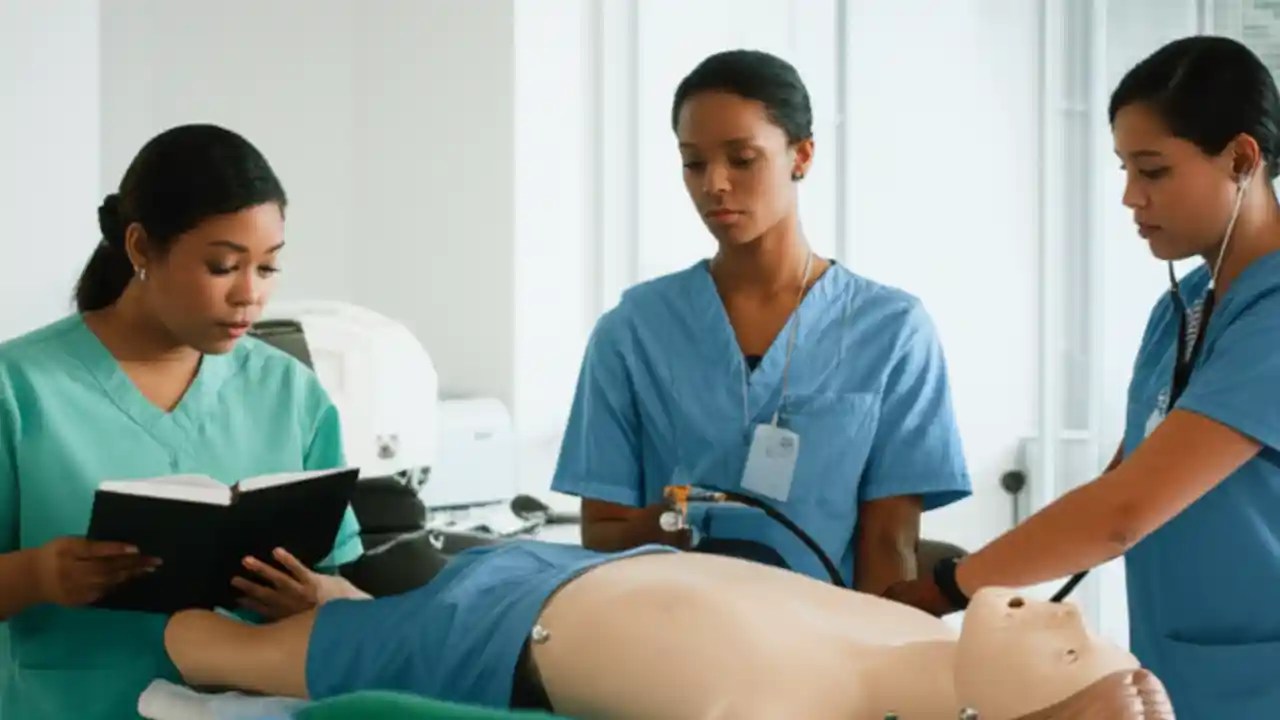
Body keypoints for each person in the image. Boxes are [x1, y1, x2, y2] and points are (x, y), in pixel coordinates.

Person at [885, 36, 1280, 720]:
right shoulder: (1184, 308)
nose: (1130, 196)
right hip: (1185, 668)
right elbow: (1121, 481)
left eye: (1153, 170)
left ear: (1242, 160)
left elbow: (1123, 513)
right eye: (1125, 169)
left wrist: (950, 587)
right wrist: (997, 585)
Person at [551, 49, 971, 593]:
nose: (714, 184)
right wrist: (671, 522)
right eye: (694, 163)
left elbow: (889, 544)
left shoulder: (892, 332)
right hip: (667, 628)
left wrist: (873, 645)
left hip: (826, 630)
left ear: (802, 155)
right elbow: (602, 532)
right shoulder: (632, 331)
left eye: (742, 159)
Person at [0, 124, 365, 720]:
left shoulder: (290, 393)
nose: (249, 295)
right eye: (223, 266)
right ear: (141, 248)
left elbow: (337, 590)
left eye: (268, 268)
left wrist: (317, 594)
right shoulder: (17, 388)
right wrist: (38, 575)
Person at [162, 540, 1175, 720]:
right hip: (576, 565)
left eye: (1068, 651)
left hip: (488, 638)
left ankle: (344, 620)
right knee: (367, 597)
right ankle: (349, 606)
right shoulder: (922, 640)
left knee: (198, 644)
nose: (1067, 610)